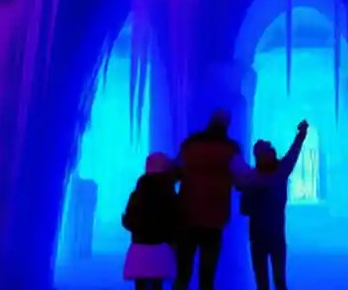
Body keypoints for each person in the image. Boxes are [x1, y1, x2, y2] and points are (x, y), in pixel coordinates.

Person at [174, 109, 249, 290]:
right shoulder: (231, 149)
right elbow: (242, 179)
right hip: (214, 217)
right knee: (207, 274)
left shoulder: (190, 145)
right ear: (227, 125)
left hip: (186, 214)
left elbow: (174, 171)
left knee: (183, 272)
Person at [239, 120, 309, 290]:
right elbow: (293, 154)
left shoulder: (252, 178)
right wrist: (301, 135)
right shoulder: (279, 173)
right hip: (275, 235)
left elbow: (244, 209)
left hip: (258, 236)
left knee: (262, 282)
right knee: (279, 280)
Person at [122, 152, 181, 290]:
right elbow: (175, 219)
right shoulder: (169, 193)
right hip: (161, 246)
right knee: (157, 282)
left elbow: (130, 219)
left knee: (141, 283)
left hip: (139, 245)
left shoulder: (137, 194)